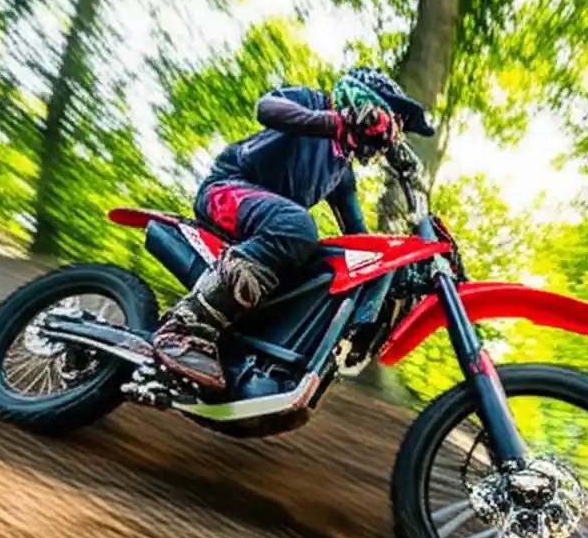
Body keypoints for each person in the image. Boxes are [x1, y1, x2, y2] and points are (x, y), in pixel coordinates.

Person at [151, 66, 435, 391]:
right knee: (298, 224)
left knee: (325, 260)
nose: (393, 133)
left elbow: (360, 236)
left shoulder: (342, 171)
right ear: (364, 99)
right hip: (227, 190)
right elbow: (267, 109)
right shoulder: (311, 101)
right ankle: (184, 328)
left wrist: (401, 264)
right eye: (394, 119)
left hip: (269, 231)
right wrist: (333, 123)